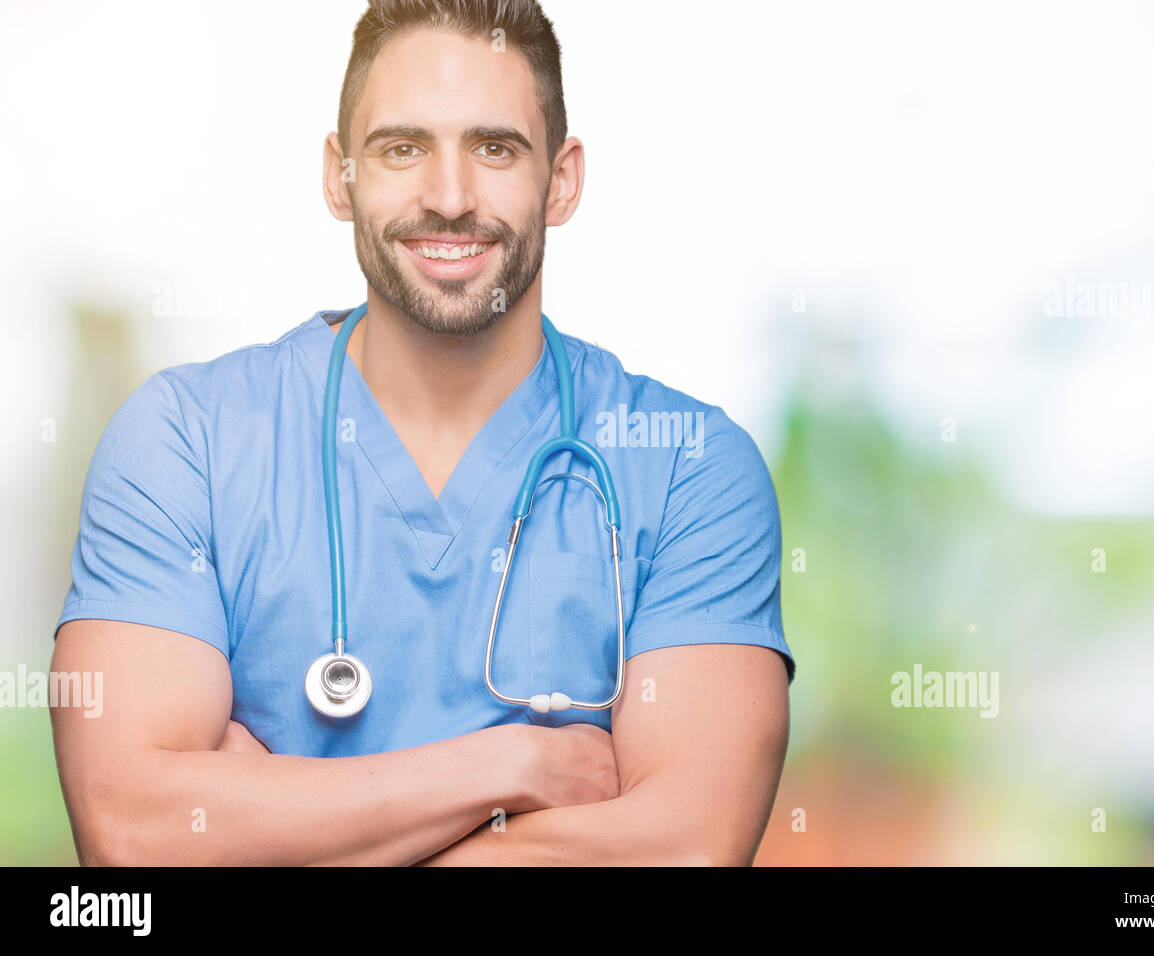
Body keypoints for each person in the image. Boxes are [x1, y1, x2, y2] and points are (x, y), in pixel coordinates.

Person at [50, 0, 794, 866]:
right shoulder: (185, 442)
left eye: (494, 147)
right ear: (341, 176)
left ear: (562, 179)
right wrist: (509, 763)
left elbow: (685, 850)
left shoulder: (687, 467)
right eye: (404, 148)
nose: (449, 198)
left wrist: (277, 822)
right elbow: (136, 839)